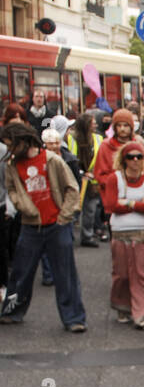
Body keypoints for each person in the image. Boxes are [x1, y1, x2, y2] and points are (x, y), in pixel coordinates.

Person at [0, 123, 84, 330]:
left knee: (65, 275)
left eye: (12, 144)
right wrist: (21, 206)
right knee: (20, 273)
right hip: (30, 226)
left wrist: (64, 216)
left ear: (22, 140)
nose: (10, 149)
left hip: (57, 225)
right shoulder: (12, 165)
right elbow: (12, 189)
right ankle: (12, 311)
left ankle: (74, 319)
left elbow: (72, 188)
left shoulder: (51, 160)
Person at [102, 139, 144, 330]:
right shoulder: (114, 179)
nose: (135, 160)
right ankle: (123, 306)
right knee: (122, 275)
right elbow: (111, 206)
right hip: (120, 234)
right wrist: (138, 204)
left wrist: (127, 202)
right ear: (124, 159)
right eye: (130, 157)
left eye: (139, 156)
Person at [66, 113, 102, 249]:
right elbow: (70, 159)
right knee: (72, 210)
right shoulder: (71, 138)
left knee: (90, 209)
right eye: (92, 122)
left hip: (92, 180)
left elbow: (100, 159)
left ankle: (87, 236)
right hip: (75, 179)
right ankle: (67, 236)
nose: (95, 125)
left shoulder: (98, 138)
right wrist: (81, 172)